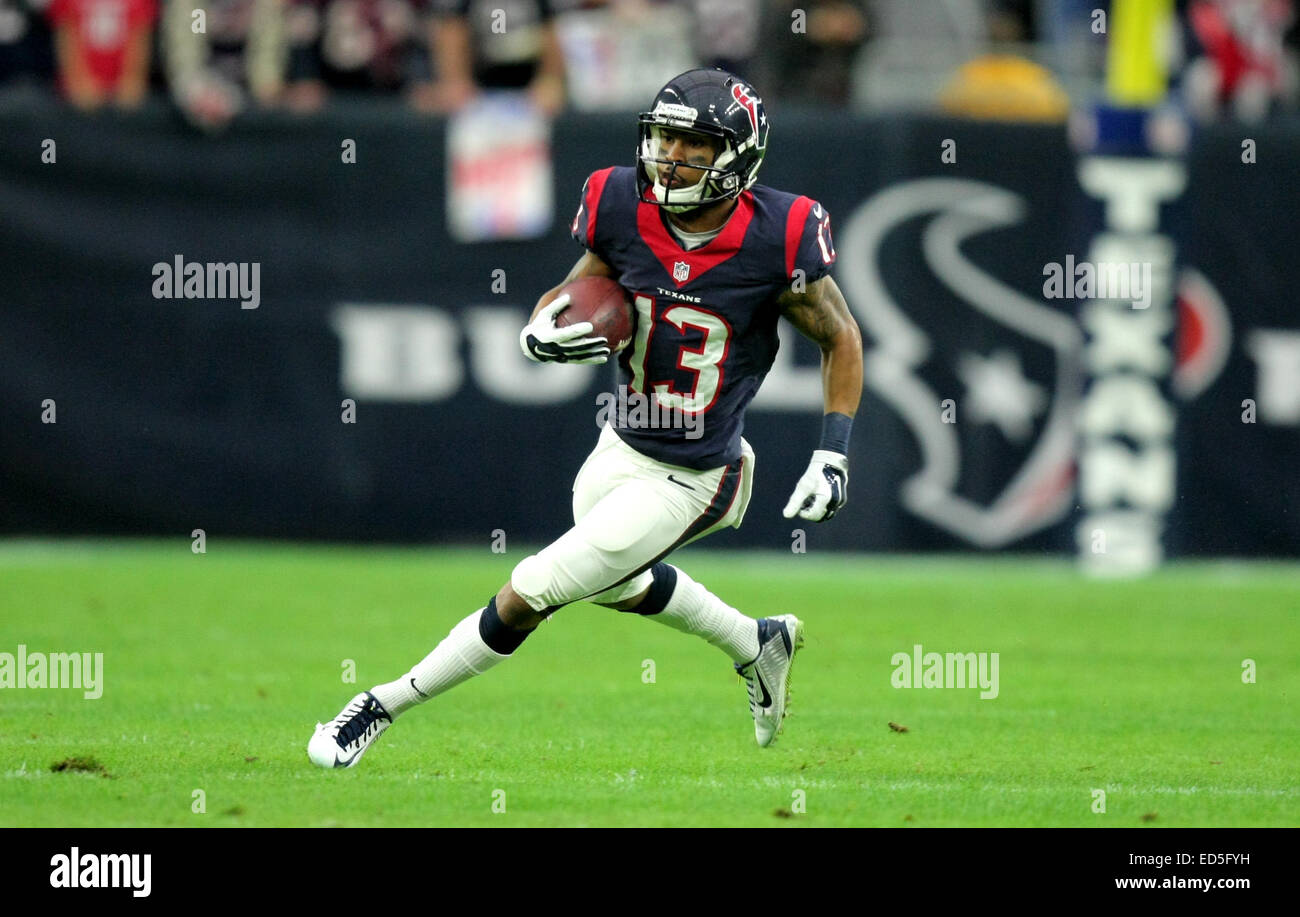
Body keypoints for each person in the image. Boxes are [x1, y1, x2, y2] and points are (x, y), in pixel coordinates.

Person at [308, 67, 863, 769]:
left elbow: (839, 335)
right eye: (663, 138)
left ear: (737, 157)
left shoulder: (780, 233)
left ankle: (382, 704)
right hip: (619, 449)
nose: (670, 157)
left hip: (698, 474)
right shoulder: (619, 201)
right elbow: (578, 290)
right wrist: (541, 327)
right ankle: (758, 643)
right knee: (617, 581)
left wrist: (833, 452)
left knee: (535, 587)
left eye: (693, 146)